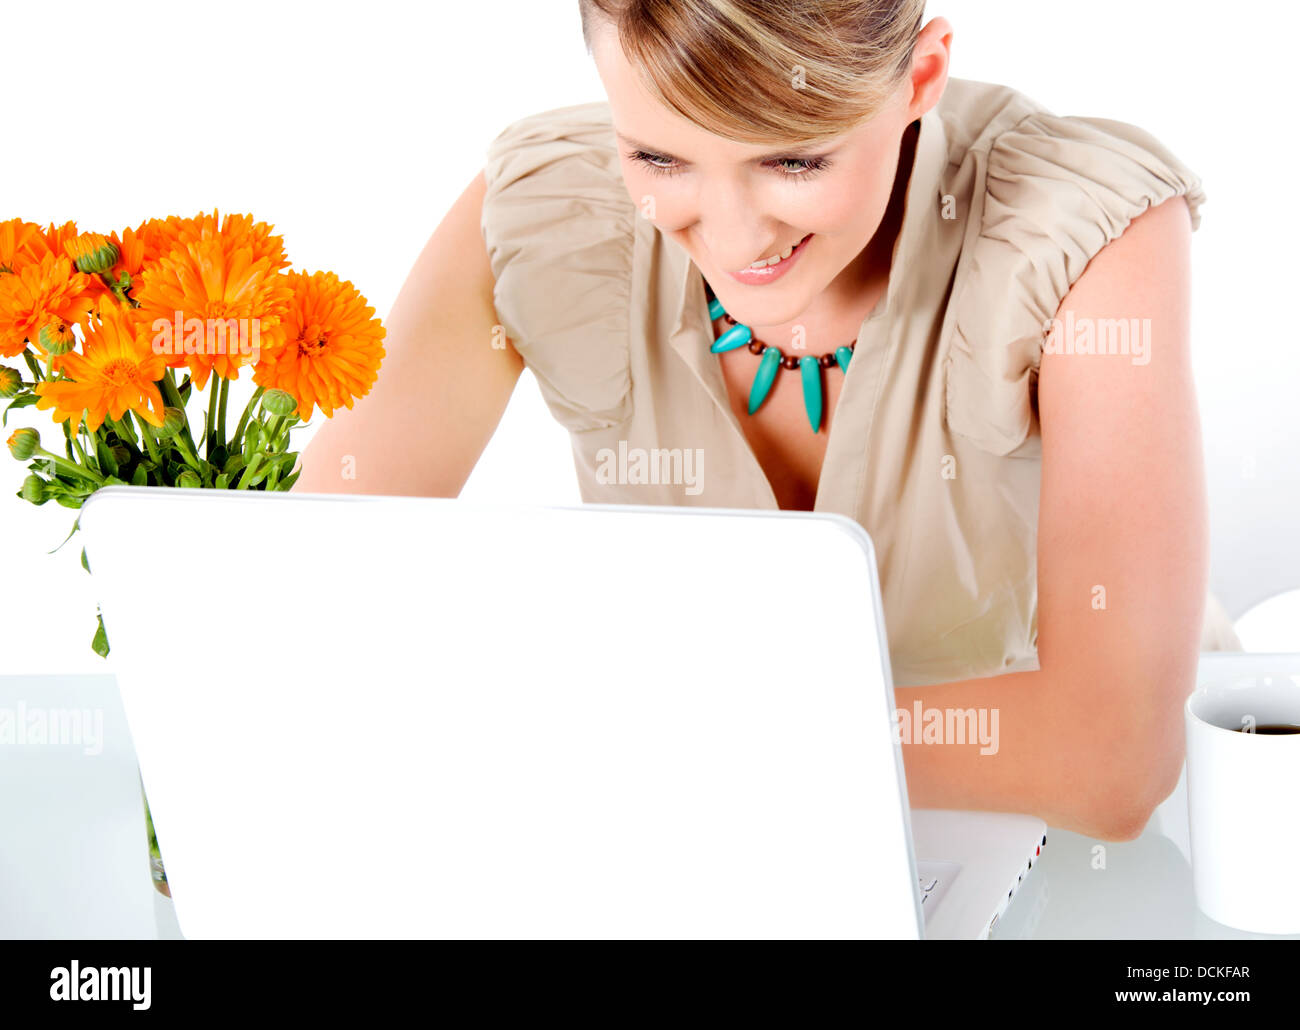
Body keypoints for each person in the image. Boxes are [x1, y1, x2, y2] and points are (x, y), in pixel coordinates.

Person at [294, 1, 1241, 840]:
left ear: (921, 76)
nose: (736, 238)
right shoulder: (554, 201)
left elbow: (1111, 763)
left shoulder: (1081, 223)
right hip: (732, 846)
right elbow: (296, 589)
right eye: (659, 156)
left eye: (794, 159)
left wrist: (666, 745)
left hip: (1088, 863)